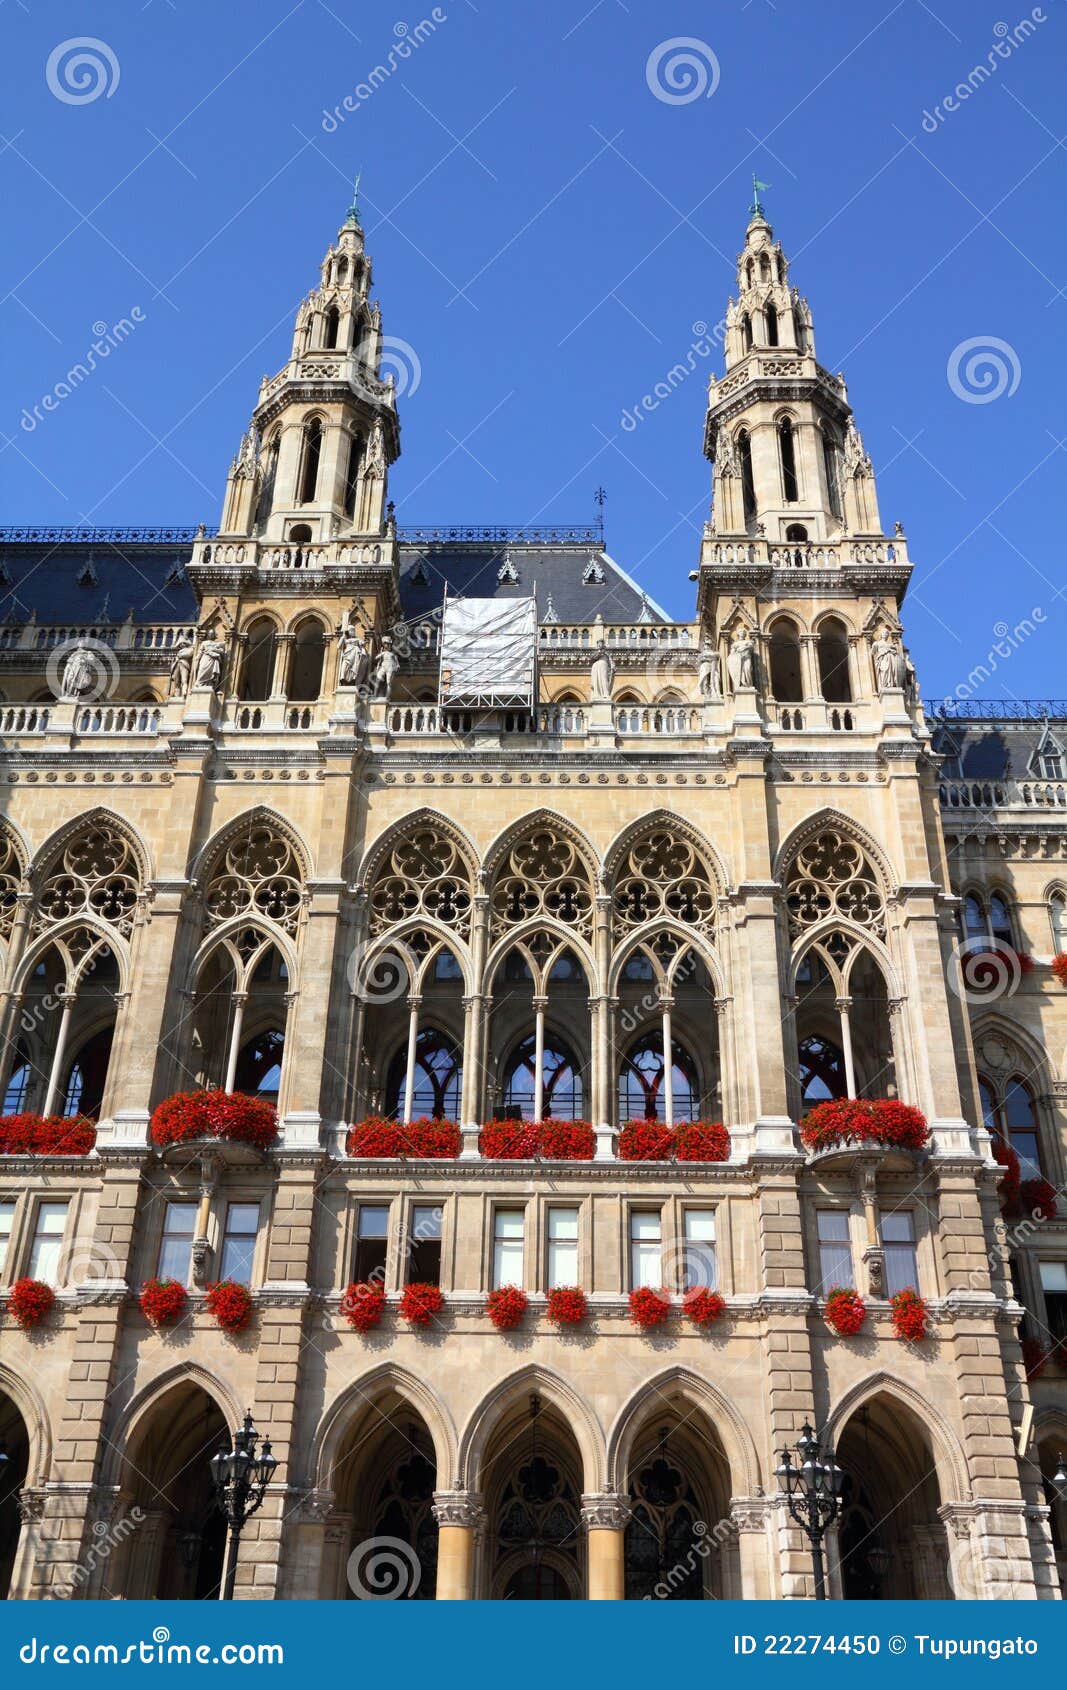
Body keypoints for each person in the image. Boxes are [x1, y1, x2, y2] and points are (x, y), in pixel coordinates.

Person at [338, 624, 370, 690]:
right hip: (347, 654)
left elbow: (362, 643)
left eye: (354, 631)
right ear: (348, 632)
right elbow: (338, 646)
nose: (353, 632)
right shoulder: (345, 639)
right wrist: (342, 637)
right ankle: (343, 678)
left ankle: (353, 679)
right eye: (351, 630)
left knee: (355, 667)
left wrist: (365, 642)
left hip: (355, 653)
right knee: (344, 665)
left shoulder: (357, 639)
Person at [168, 633, 195, 698]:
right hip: (177, 665)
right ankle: (177, 695)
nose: (182, 644)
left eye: (183, 643)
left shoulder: (190, 649)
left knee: (184, 680)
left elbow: (189, 654)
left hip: (184, 664)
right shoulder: (179, 651)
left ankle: (184, 693)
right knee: (176, 682)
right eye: (181, 643)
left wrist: (180, 656)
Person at [371, 635, 398, 700]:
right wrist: (380, 653)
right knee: (377, 680)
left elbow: (397, 664)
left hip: (390, 667)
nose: (387, 646)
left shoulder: (393, 654)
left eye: (388, 644)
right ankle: (375, 695)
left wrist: (395, 668)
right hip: (383, 666)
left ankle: (387, 697)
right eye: (385, 644)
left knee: (388, 682)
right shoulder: (383, 653)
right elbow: (376, 658)